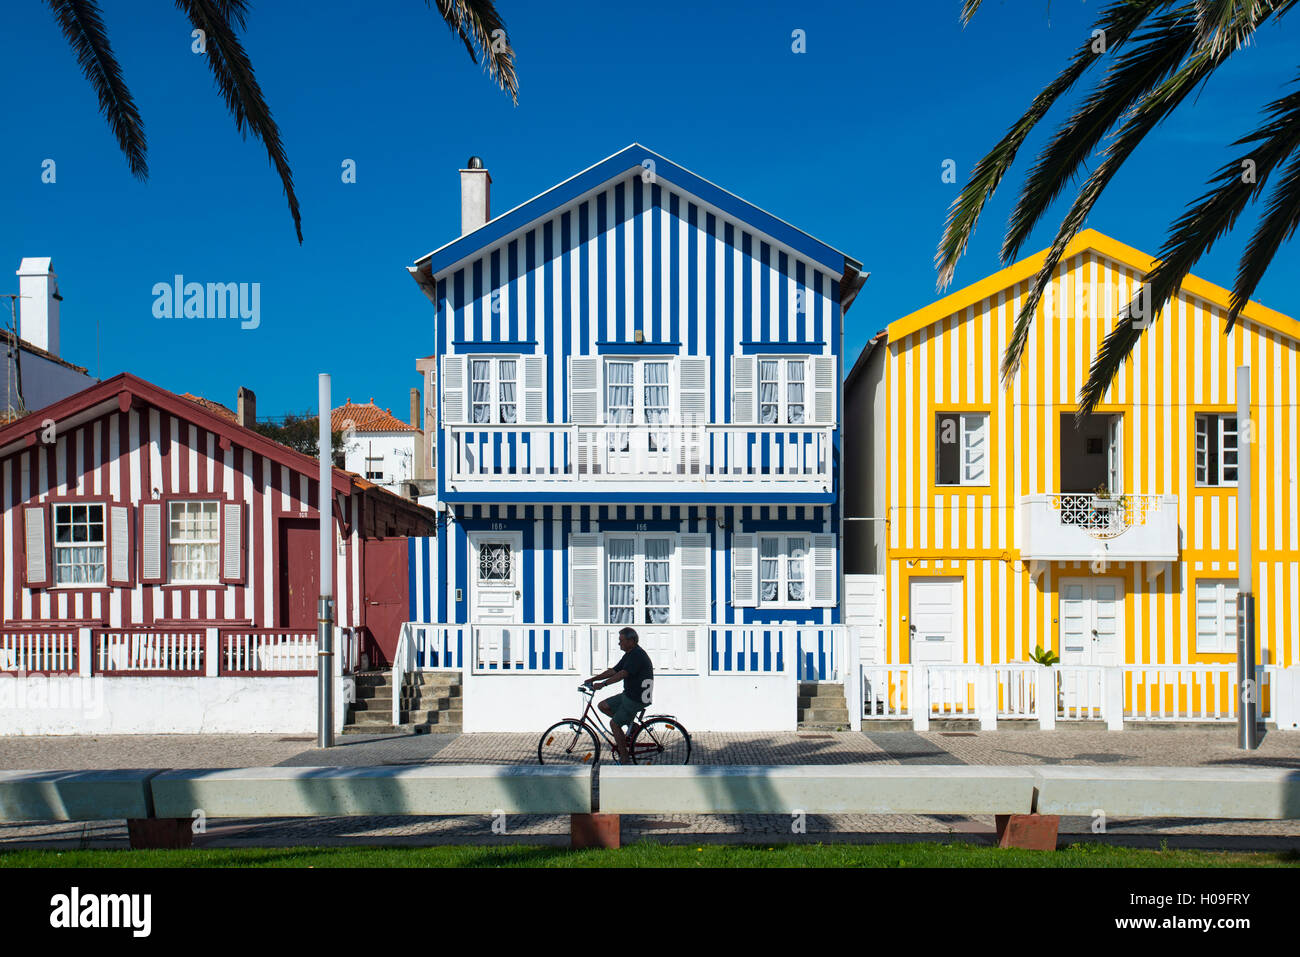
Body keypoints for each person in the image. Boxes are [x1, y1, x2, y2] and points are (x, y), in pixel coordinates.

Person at [587, 626, 654, 763]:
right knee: (603, 706)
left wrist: (603, 684)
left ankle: (624, 758)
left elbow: (622, 674)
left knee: (614, 724)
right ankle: (631, 725)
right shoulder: (630, 654)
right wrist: (593, 679)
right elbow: (613, 671)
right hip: (629, 694)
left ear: (631, 640)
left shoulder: (637, 655)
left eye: (621, 640)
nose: (619, 643)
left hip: (636, 697)